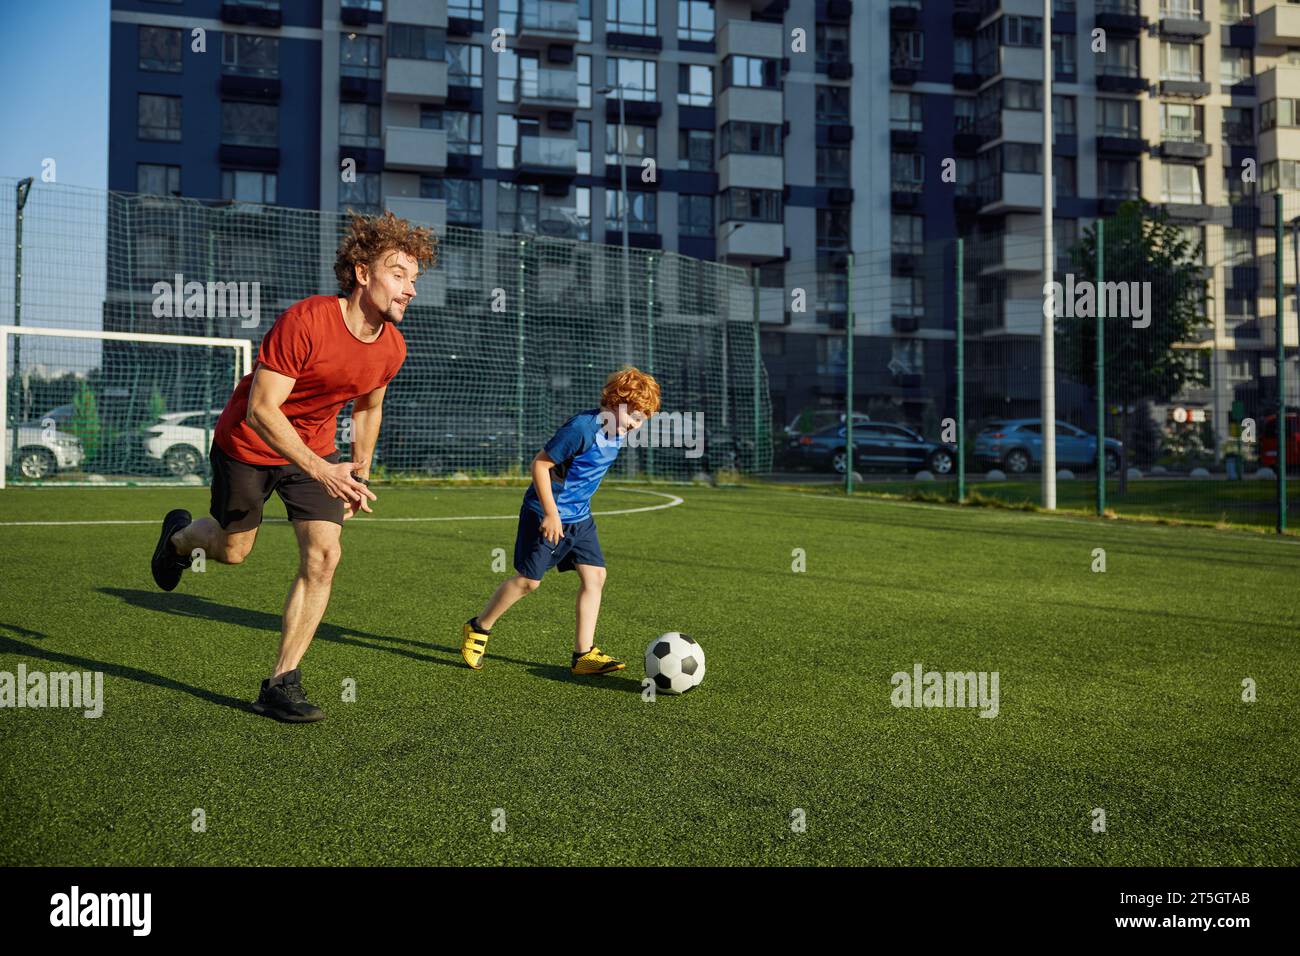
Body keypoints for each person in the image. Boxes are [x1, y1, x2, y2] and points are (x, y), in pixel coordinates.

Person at [149, 211, 437, 722]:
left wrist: (357, 475)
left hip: (315, 452)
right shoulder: (307, 320)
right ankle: (178, 540)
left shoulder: (392, 346)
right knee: (234, 551)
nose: (410, 289)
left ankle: (281, 682)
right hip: (248, 443)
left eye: (414, 279)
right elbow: (262, 409)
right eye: (399, 274)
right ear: (362, 272)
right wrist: (324, 470)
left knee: (325, 555)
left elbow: (368, 407)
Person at [461, 367, 661, 675]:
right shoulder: (582, 429)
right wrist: (552, 513)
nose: (635, 426)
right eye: (633, 417)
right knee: (529, 582)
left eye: (641, 421)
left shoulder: (617, 432)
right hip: (546, 514)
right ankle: (479, 626)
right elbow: (540, 465)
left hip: (580, 518)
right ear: (613, 402)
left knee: (595, 577)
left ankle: (583, 655)